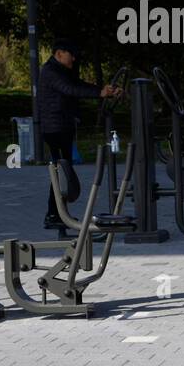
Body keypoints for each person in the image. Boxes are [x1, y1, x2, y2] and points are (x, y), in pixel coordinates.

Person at [36, 39, 121, 228]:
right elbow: (71, 89)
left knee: (62, 171)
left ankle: (57, 214)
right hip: (54, 128)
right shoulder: (51, 72)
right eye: (70, 54)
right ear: (59, 53)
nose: (73, 59)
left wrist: (102, 90)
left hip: (61, 127)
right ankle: (54, 214)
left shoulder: (61, 71)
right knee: (61, 172)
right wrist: (99, 93)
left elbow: (78, 84)